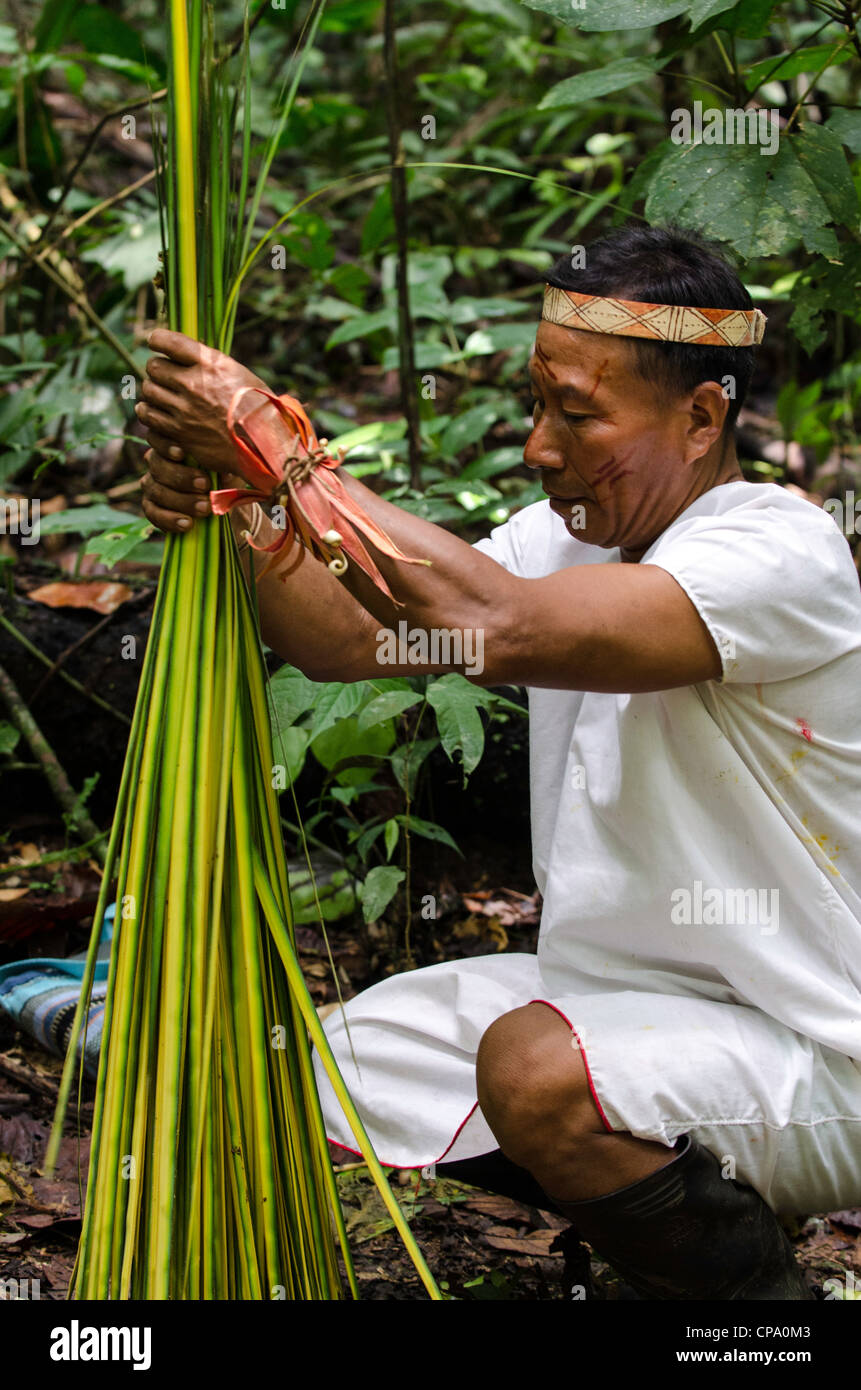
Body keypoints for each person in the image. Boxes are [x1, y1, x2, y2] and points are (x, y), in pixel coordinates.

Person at [139, 224, 861, 1300]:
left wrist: (275, 446)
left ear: (702, 417)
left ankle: (764, 1317)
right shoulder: (567, 535)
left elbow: (491, 623)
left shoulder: (776, 549)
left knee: (536, 1072)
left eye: (577, 413)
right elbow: (353, 638)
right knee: (293, 1068)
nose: (539, 444)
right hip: (607, 1005)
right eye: (537, 404)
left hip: (817, 1055)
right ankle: (661, 1226)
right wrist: (248, 510)